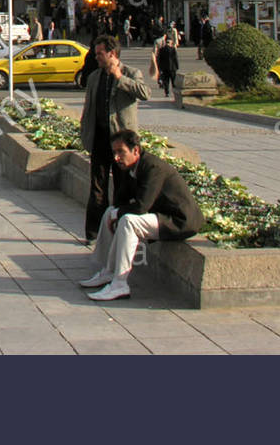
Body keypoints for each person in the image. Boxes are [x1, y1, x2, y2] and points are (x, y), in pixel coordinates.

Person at [79, 130, 203, 301]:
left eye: (121, 152)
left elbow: (142, 206)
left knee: (128, 221)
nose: (116, 157)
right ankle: (108, 271)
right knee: (109, 212)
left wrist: (118, 213)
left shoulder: (153, 167)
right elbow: (120, 200)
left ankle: (120, 284)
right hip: (159, 215)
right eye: (114, 152)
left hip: (178, 220)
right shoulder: (131, 167)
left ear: (135, 150)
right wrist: (114, 211)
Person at [79, 34, 151, 242]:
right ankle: (94, 234)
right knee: (97, 188)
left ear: (112, 54)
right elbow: (88, 108)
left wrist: (120, 78)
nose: (97, 57)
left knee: (123, 188)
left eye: (100, 54)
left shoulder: (131, 72)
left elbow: (145, 93)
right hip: (100, 140)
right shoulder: (95, 77)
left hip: (122, 143)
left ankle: (121, 231)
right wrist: (85, 133)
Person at [152, 25, 179, 98]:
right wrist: (177, 66)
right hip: (172, 68)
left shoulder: (162, 49)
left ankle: (166, 92)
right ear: (170, 42)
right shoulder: (173, 49)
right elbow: (175, 59)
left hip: (164, 68)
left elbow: (160, 59)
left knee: (166, 81)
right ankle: (174, 92)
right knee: (173, 81)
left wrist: (160, 68)